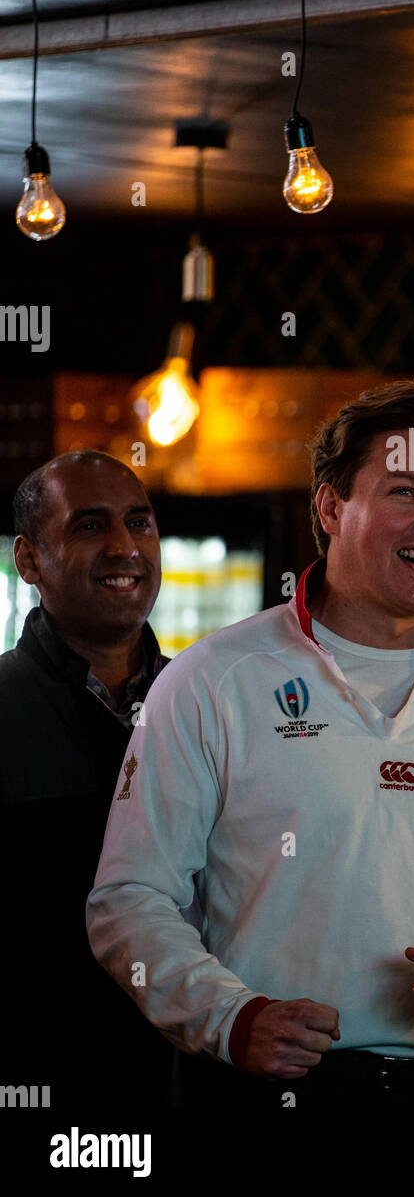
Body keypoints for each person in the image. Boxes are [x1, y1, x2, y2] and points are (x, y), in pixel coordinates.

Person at [86, 382, 414, 1109]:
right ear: (331, 507)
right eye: (406, 492)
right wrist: (230, 1017)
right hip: (277, 1097)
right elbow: (130, 898)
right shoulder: (211, 682)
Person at [0, 450, 174, 1109]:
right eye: (90, 526)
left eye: (139, 523)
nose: (126, 547)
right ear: (28, 559)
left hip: (198, 1074)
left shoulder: (213, 702)